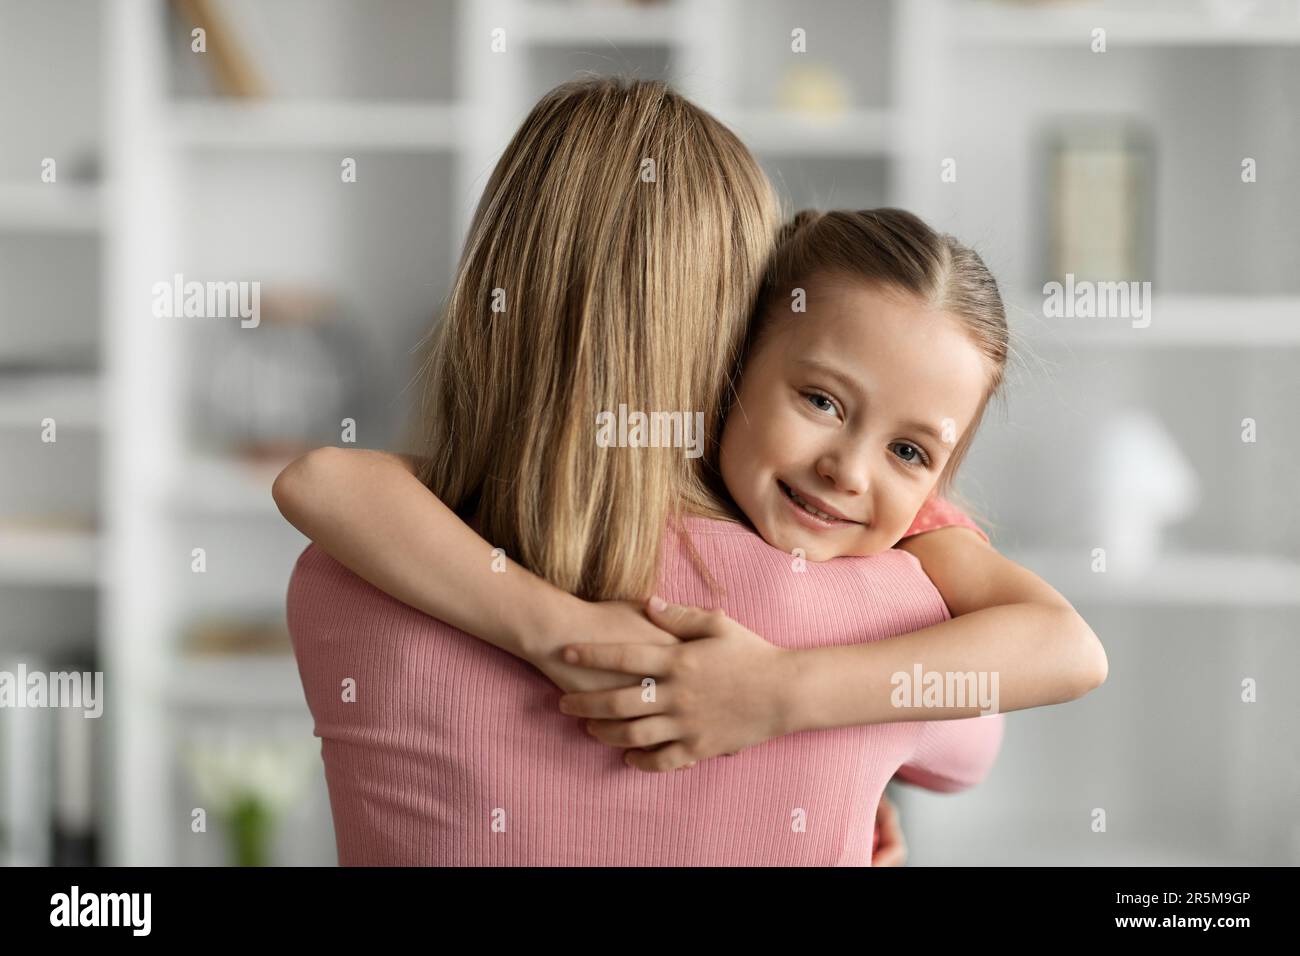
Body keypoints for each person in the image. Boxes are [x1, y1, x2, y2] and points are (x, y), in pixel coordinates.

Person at [279, 78, 1105, 865]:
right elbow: (969, 748)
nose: (847, 470)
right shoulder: (894, 611)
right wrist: (833, 748)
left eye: (911, 452)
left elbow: (321, 480)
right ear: (736, 346)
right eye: (819, 399)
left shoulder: (356, 570)